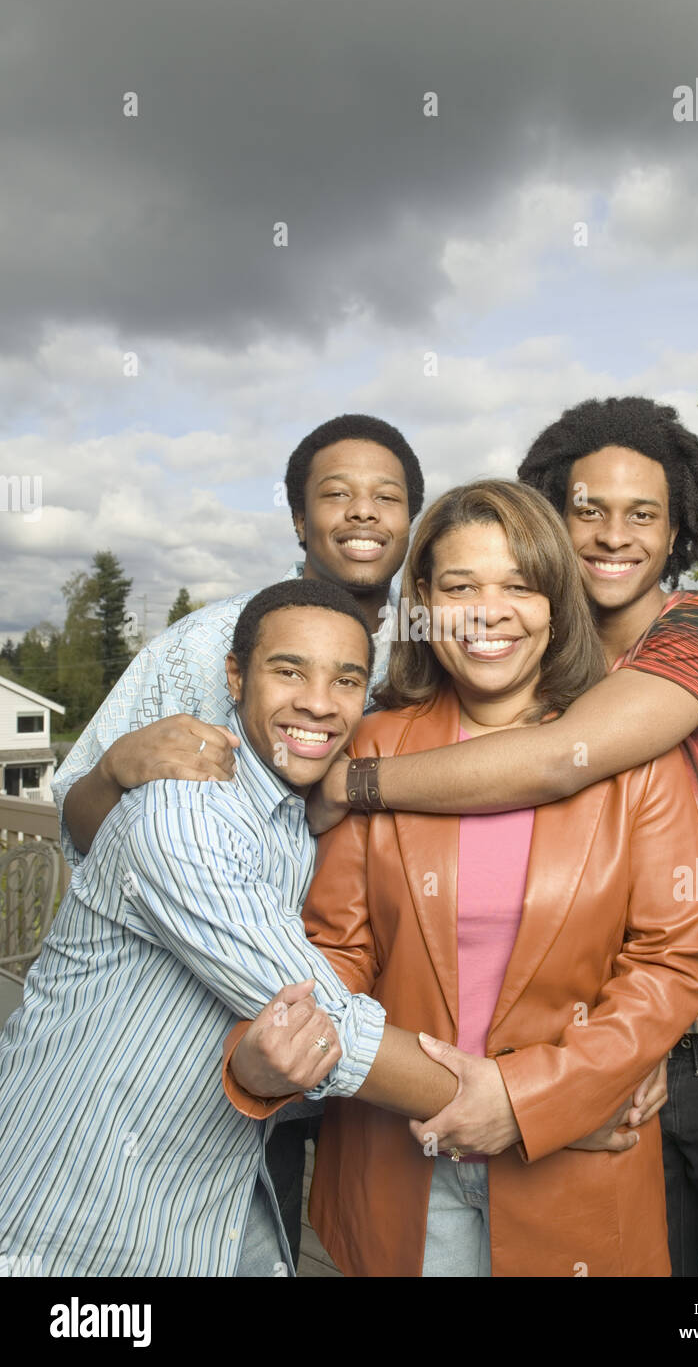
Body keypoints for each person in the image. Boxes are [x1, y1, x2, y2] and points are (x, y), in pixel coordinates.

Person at [307, 397, 698, 1279]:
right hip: (605, 1060)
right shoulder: (534, 653)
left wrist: (355, 782)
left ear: (678, 531)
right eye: (587, 510)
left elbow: (555, 762)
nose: (613, 535)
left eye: (644, 515)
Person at [223, 482, 698, 1277]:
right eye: (459, 588)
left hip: (579, 1177)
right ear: (421, 601)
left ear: (556, 600)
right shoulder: (371, 746)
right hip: (398, 1169)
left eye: (520, 586)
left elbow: (671, 961)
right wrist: (272, 1053)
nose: (490, 613)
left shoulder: (632, 756)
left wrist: (532, 1102)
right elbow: (336, 953)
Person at [0, 580, 486, 1276]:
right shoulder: (186, 814)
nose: (319, 702)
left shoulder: (295, 821)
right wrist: (527, 1102)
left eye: (346, 680)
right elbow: (325, 1024)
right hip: (70, 1222)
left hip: (207, 1210)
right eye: (289, 671)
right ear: (235, 677)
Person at [50, 411, 424, 1253]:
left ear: (409, 522)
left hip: (369, 995)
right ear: (299, 520)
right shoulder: (210, 642)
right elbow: (81, 819)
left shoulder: (425, 655)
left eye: (386, 497)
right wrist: (114, 772)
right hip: (222, 1009)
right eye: (336, 494)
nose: (363, 512)